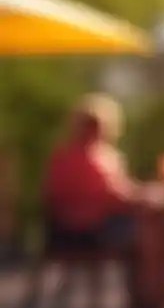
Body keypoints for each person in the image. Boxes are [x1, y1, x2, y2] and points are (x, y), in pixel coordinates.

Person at [42, 94, 136, 252]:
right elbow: (115, 195)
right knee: (147, 229)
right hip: (88, 231)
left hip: (60, 231)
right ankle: (150, 276)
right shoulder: (100, 159)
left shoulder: (63, 155)